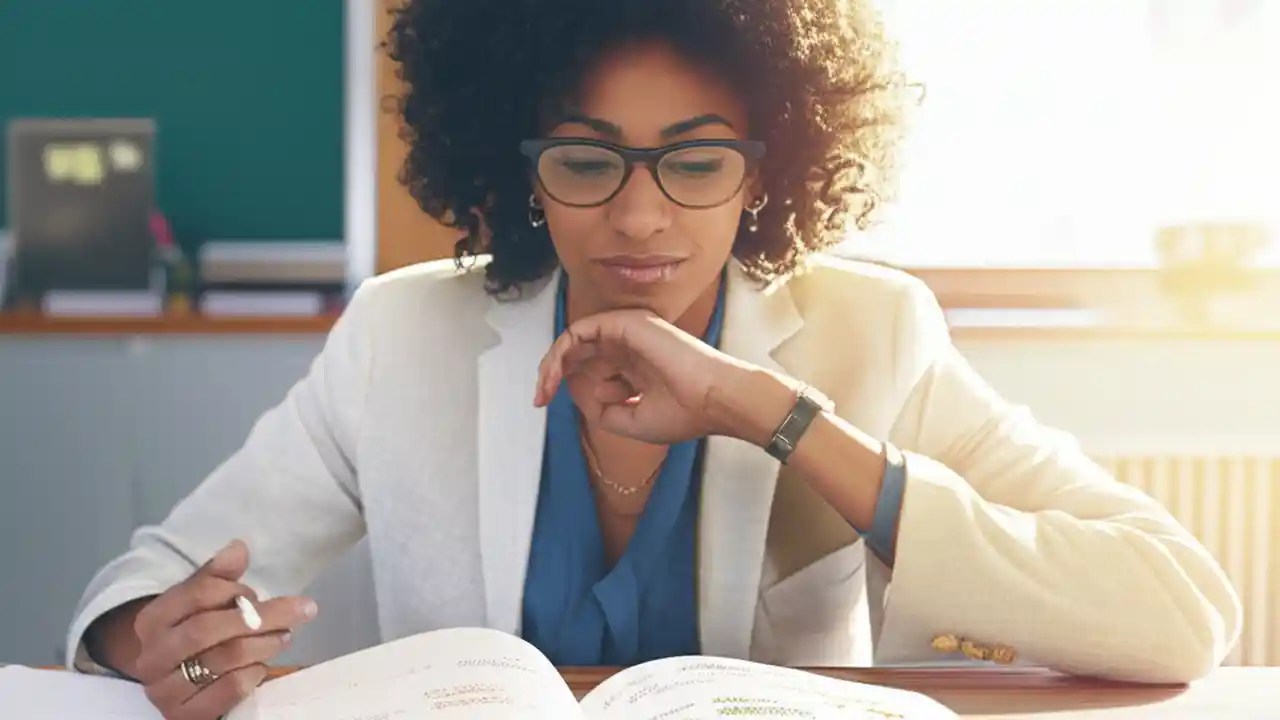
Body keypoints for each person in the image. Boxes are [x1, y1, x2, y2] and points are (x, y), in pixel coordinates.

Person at [68, 0, 1241, 717]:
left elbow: (1179, 614)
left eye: (694, 161)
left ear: (769, 165)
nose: (639, 219)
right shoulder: (400, 333)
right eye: (586, 161)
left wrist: (780, 416)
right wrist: (152, 639)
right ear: (518, 170)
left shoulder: (869, 333)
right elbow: (145, 582)